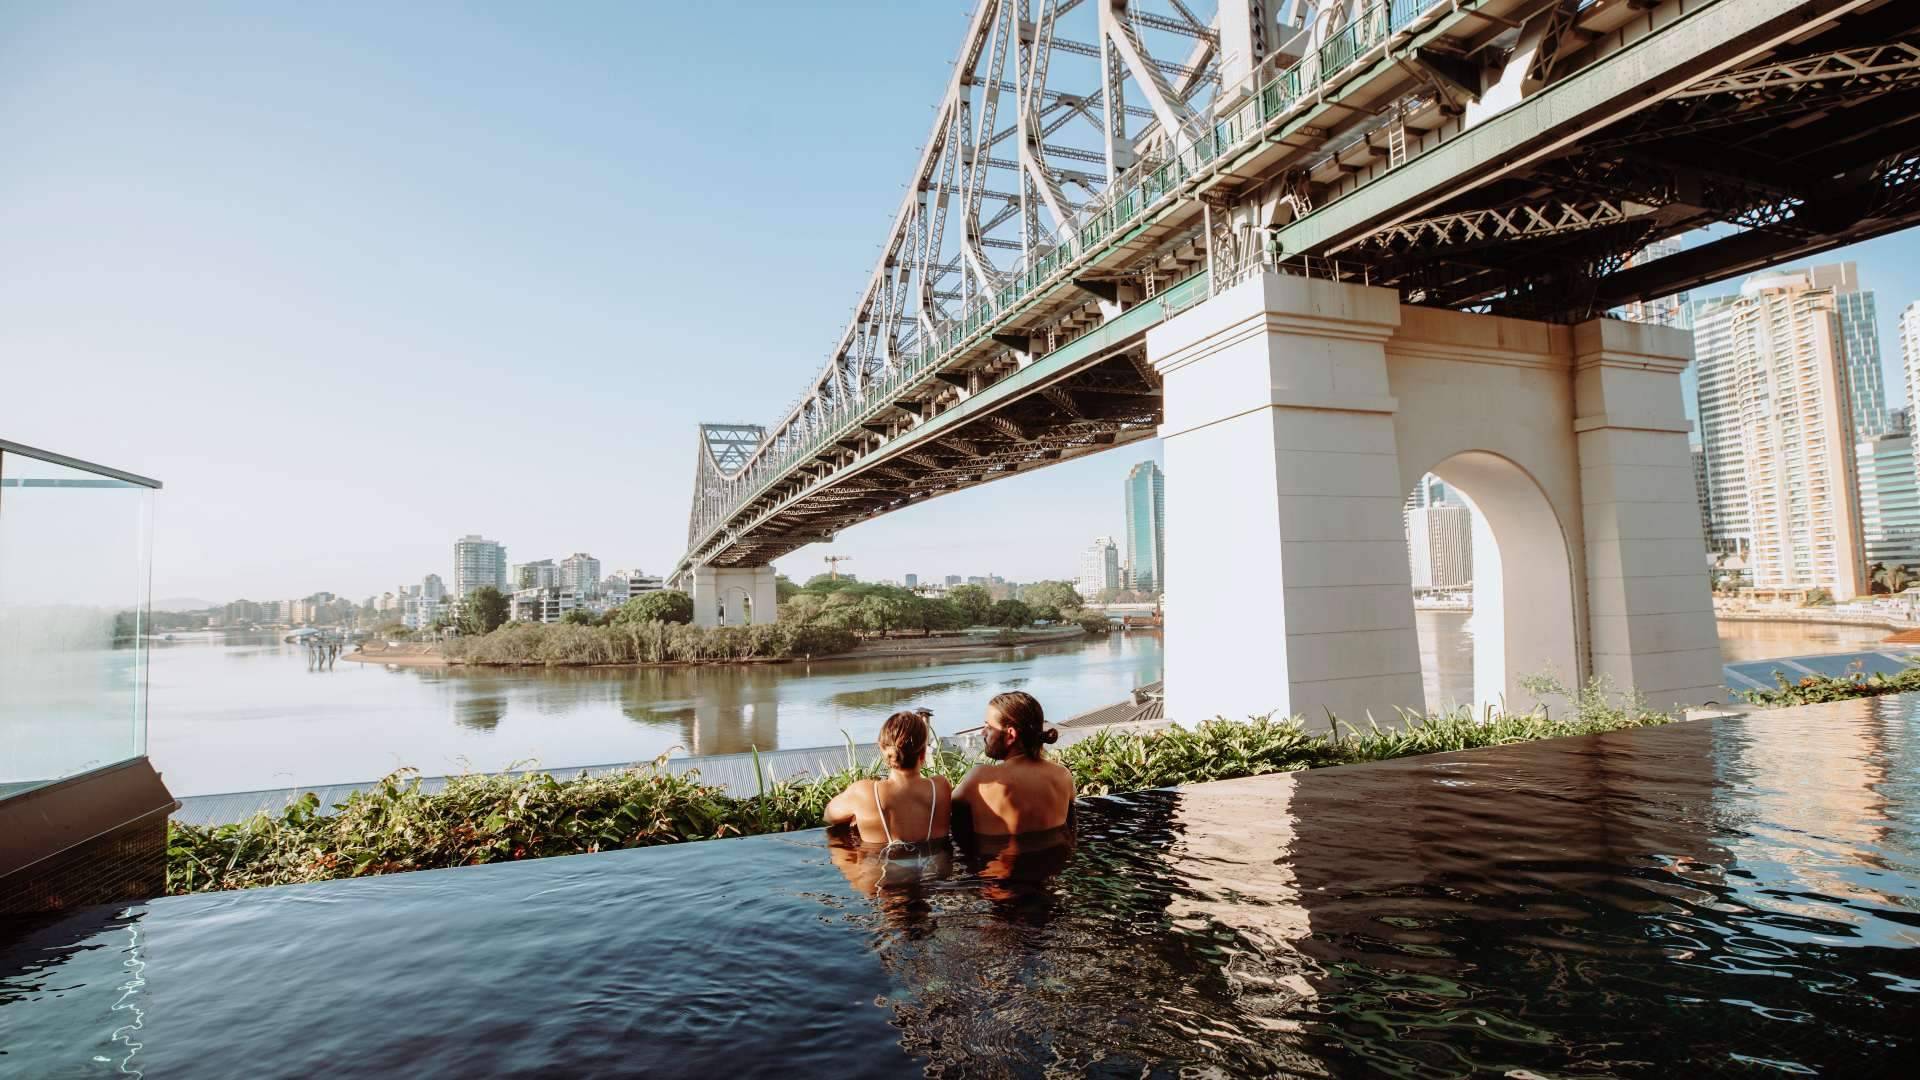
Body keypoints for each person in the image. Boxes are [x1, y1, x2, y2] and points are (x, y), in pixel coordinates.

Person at [824, 709, 952, 852]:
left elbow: (829, 815)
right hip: (935, 864)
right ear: (923, 754)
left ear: (884, 751)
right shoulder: (941, 787)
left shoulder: (863, 793)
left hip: (880, 866)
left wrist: (860, 812)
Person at [952, 691, 1075, 836]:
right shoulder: (1063, 776)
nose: (982, 733)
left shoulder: (981, 778)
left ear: (1010, 735)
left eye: (989, 727)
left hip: (998, 852)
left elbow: (942, 808)